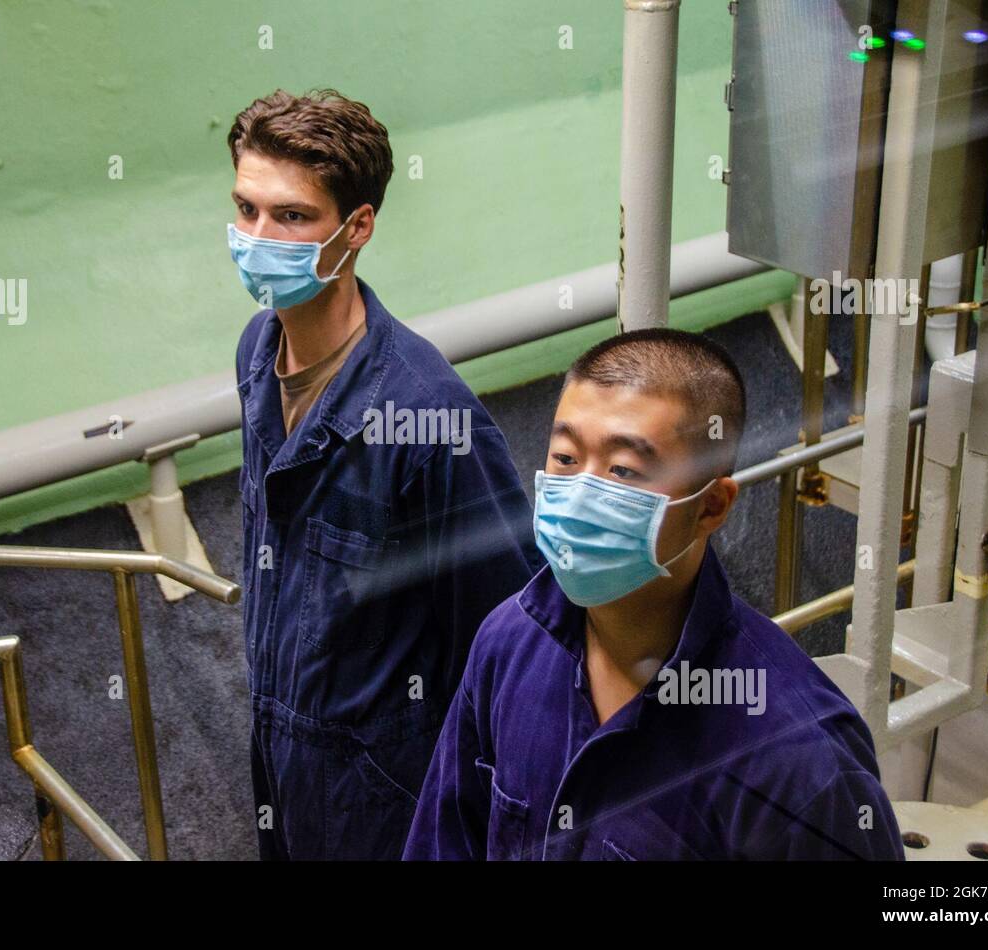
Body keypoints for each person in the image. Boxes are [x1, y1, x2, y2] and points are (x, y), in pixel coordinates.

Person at [403, 328, 905, 860]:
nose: (580, 495)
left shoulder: (798, 759)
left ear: (710, 506)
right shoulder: (508, 644)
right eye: (566, 458)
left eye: (623, 469)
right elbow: (445, 840)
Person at [227, 89, 541, 860]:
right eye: (245, 209)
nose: (258, 238)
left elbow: (508, 639)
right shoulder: (257, 352)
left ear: (358, 226)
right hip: (278, 755)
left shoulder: (431, 419)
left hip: (381, 799)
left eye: (291, 216)